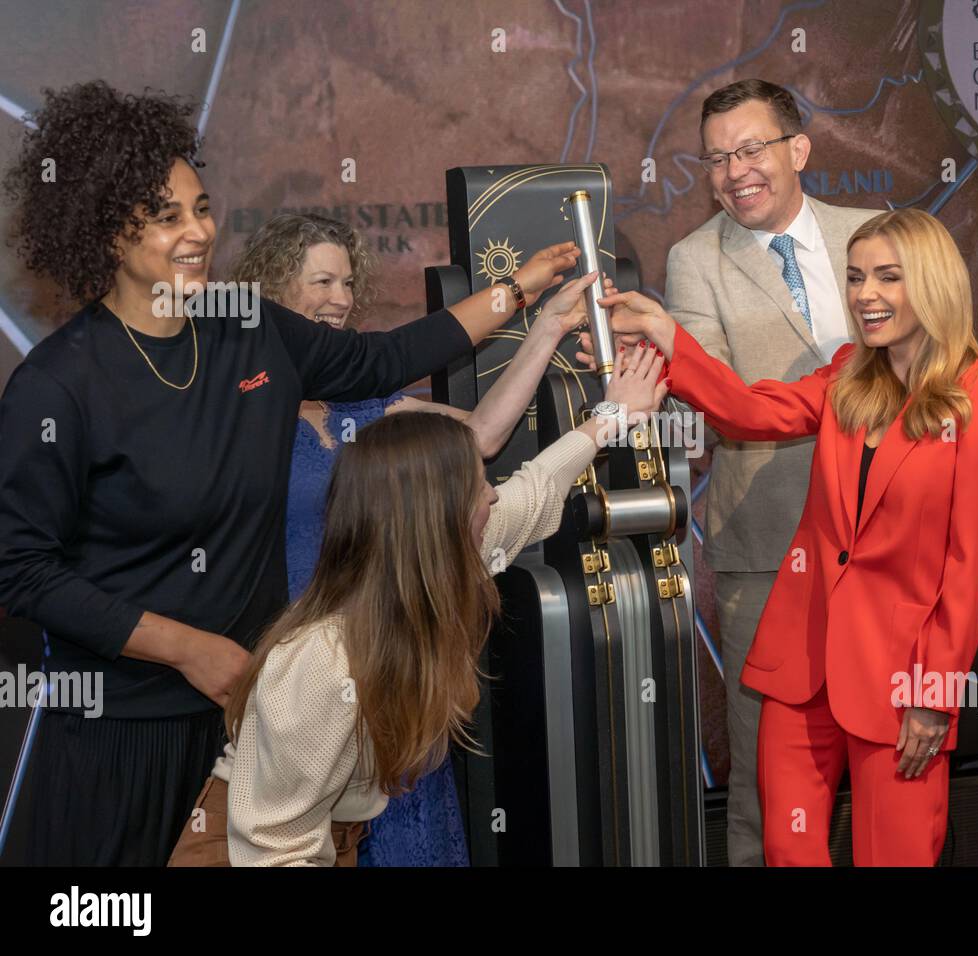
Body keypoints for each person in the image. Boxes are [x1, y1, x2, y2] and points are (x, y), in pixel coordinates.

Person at [0, 79, 577, 866]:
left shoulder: (249, 329)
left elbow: (388, 357)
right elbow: (22, 570)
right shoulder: (57, 386)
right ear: (106, 231)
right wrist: (187, 649)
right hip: (124, 727)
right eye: (166, 216)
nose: (197, 231)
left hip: (259, 713)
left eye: (201, 208)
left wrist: (523, 288)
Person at [586, 208, 978, 865]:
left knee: (893, 855)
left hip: (901, 680)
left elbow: (969, 564)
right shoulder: (849, 373)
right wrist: (665, 336)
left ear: (933, 284)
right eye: (855, 277)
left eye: (888, 278)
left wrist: (934, 698)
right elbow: (750, 411)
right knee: (787, 850)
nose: (865, 294)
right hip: (801, 663)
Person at [167, 344, 668, 866]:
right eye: (478, 487)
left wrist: (614, 415)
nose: (492, 497)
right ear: (435, 519)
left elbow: (536, 489)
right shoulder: (323, 658)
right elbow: (273, 847)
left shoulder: (441, 564)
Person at [228, 212, 599, 866]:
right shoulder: (234, 411)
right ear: (273, 291)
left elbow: (481, 438)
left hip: (390, 663)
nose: (341, 299)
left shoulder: (367, 405)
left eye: (349, 284)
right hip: (299, 678)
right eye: (322, 281)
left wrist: (545, 328)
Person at [665, 78, 881, 865]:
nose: (734, 172)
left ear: (798, 149)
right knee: (769, 768)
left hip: (890, 540)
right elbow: (716, 400)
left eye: (751, 148)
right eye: (716, 158)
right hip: (766, 543)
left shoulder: (877, 234)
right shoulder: (694, 259)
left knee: (891, 754)